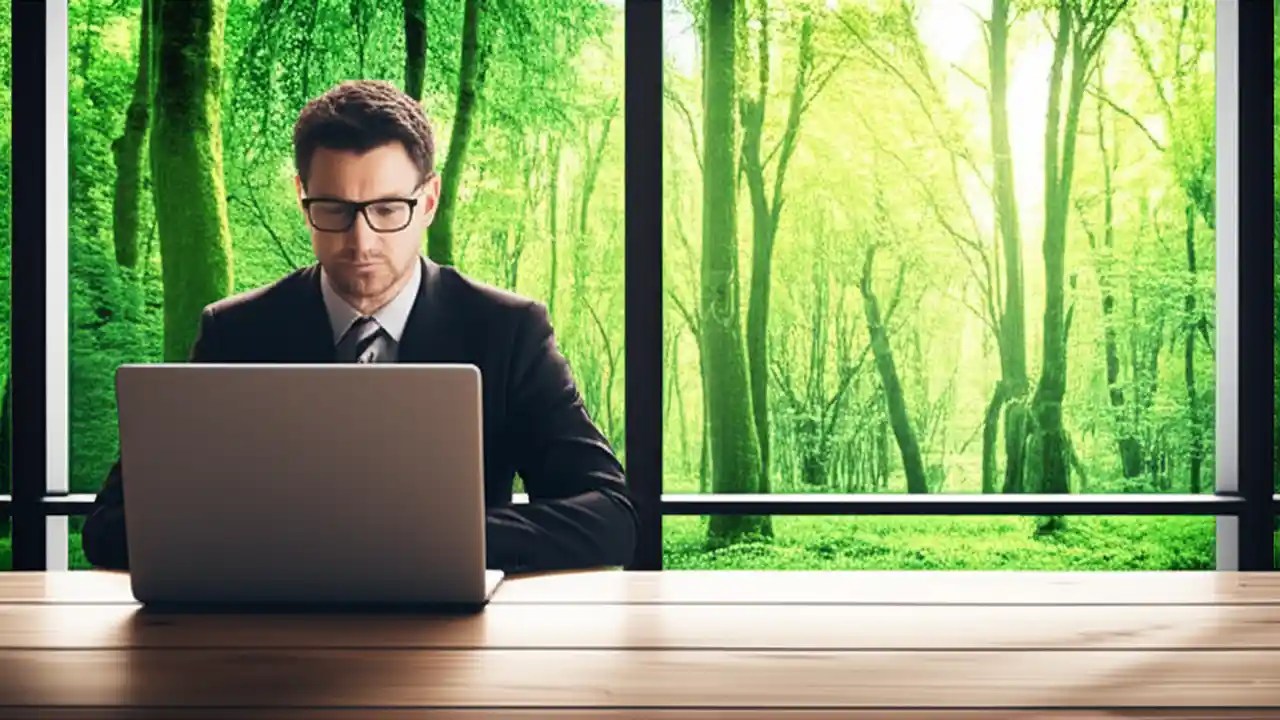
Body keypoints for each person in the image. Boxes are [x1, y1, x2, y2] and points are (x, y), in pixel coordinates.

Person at [81, 79, 638, 574]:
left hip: (456, 650)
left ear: (429, 201)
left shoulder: (507, 331)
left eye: (388, 209)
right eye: (335, 209)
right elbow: (109, 528)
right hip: (266, 642)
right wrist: (288, 543)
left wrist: (442, 540)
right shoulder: (237, 333)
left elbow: (610, 517)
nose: (361, 240)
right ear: (303, 201)